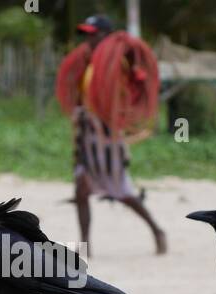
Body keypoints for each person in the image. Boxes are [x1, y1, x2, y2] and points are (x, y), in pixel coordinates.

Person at [58, 14, 166, 256]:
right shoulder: (90, 63)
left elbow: (128, 90)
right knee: (81, 189)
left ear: (105, 35)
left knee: (122, 192)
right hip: (87, 137)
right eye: (86, 34)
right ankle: (86, 245)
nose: (88, 39)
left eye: (93, 34)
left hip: (108, 139)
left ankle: (157, 230)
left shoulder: (118, 63)